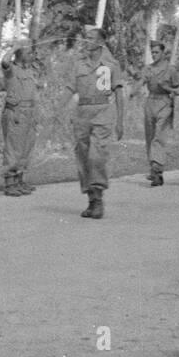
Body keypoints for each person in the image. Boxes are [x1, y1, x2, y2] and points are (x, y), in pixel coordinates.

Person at [70, 25, 126, 219]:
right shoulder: (79, 63)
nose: (87, 41)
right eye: (85, 37)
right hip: (82, 113)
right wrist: (58, 112)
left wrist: (120, 121)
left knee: (96, 156)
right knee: (83, 158)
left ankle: (99, 199)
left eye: (92, 38)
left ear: (101, 42)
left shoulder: (111, 64)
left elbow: (119, 93)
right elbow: (70, 88)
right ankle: (91, 200)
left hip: (103, 112)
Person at [142, 38, 179, 187]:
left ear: (163, 53)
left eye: (156, 52)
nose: (154, 55)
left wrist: (169, 89)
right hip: (150, 102)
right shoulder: (148, 68)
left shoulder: (170, 69)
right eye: (152, 52)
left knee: (159, 136)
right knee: (150, 136)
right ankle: (155, 169)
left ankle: (157, 168)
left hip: (165, 103)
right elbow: (140, 80)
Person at [0, 44, 38, 196]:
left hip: (29, 112)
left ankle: (19, 180)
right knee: (13, 148)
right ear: (19, 54)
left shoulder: (28, 70)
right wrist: (15, 47)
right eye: (28, 52)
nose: (32, 55)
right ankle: (10, 183)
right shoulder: (11, 69)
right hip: (16, 111)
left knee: (26, 147)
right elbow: (4, 61)